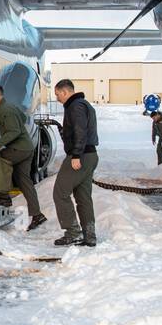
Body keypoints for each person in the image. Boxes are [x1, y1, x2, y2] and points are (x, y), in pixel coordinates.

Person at [0, 84, 46, 230]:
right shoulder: (8, 108)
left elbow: (14, 131)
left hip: (19, 149)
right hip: (26, 148)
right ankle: (37, 215)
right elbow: (23, 118)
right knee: (23, 180)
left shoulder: (5, 110)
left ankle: (3, 198)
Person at [51, 79, 97, 247]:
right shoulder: (83, 104)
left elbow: (80, 131)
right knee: (83, 197)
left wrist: (76, 154)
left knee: (60, 192)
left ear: (64, 92)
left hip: (81, 156)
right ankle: (89, 235)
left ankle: (73, 232)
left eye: (57, 94)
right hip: (90, 155)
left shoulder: (75, 106)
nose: (57, 98)